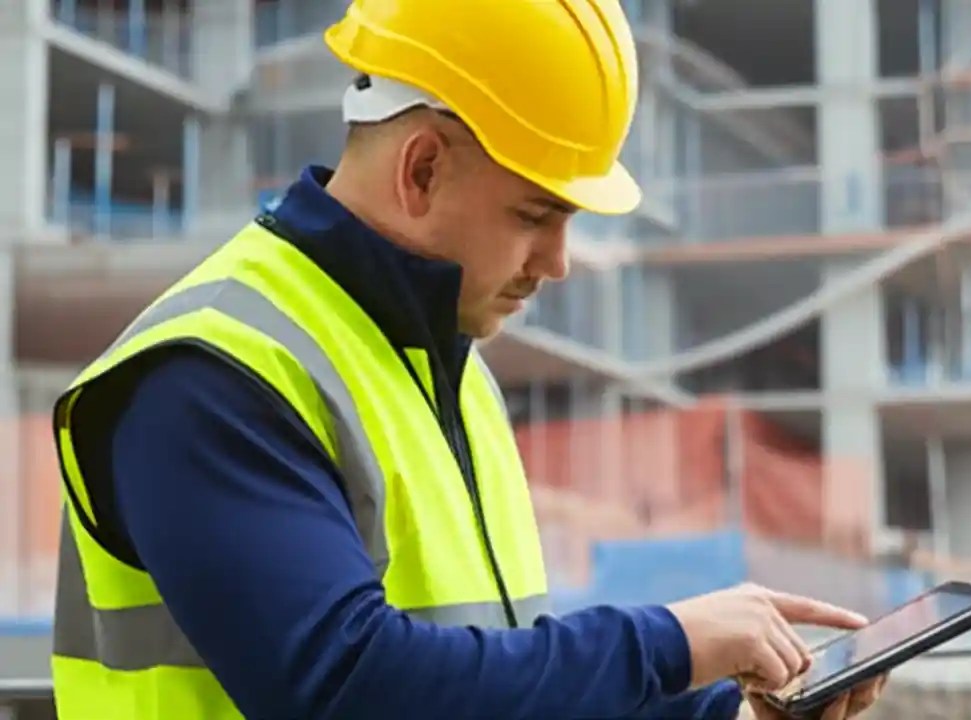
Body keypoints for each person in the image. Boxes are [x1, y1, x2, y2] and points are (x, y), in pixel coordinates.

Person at [47, 1, 887, 718]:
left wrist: (715, 711)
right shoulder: (207, 375)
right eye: (534, 215)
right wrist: (666, 645)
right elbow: (345, 684)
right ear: (421, 169)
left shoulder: (447, 370)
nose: (557, 262)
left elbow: (491, 676)